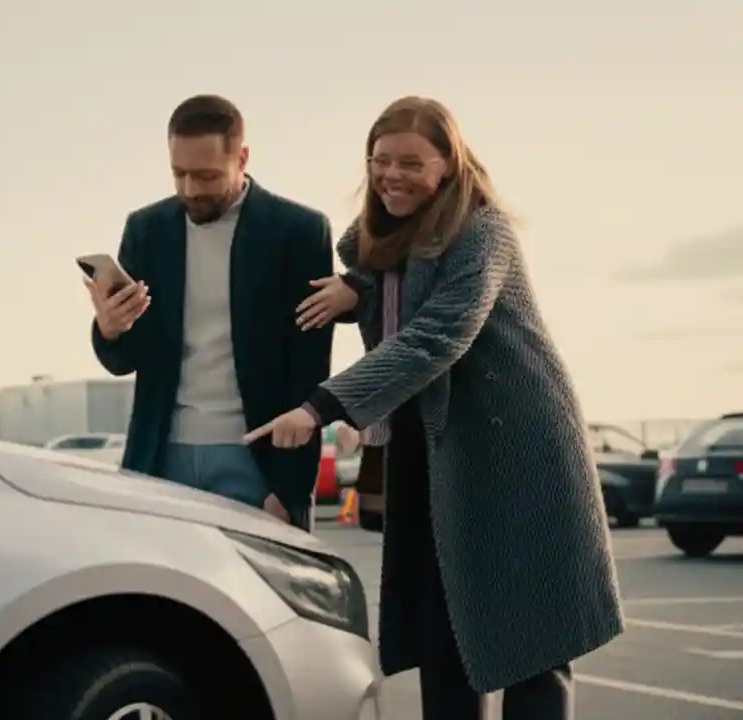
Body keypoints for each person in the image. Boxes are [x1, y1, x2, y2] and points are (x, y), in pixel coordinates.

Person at [244, 96, 623, 718]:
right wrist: (362, 283)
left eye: (411, 163)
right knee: (443, 632)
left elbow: (438, 334)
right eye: (380, 160)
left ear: (448, 163)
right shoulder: (383, 244)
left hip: (515, 445)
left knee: (535, 640)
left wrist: (320, 406)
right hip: (431, 446)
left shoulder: (483, 232)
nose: (392, 175)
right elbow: (383, 274)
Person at [87, 94, 334, 529]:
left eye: (205, 176)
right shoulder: (146, 229)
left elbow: (309, 367)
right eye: (178, 174)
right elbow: (125, 359)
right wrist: (109, 330)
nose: (189, 190)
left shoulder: (298, 232)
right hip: (161, 460)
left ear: (242, 158)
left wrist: (291, 491)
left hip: (257, 461)